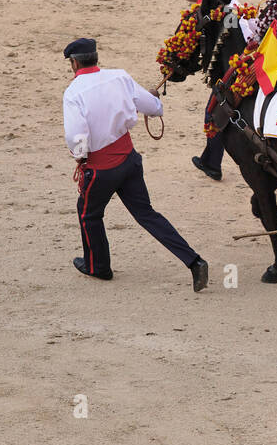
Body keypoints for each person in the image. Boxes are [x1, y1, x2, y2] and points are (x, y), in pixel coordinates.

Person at [62, 38, 208, 291]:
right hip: (129, 162)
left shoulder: (73, 92)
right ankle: (194, 261)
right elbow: (154, 107)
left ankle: (98, 266)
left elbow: (76, 136)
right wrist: (150, 98)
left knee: (89, 214)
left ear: (74, 63)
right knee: (147, 214)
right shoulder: (120, 77)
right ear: (96, 57)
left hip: (101, 169)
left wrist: (80, 157)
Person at [172, 0, 227, 182]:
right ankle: (211, 161)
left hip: (229, 72)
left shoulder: (212, 12)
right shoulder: (215, 6)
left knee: (213, 114)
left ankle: (212, 164)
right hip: (228, 70)